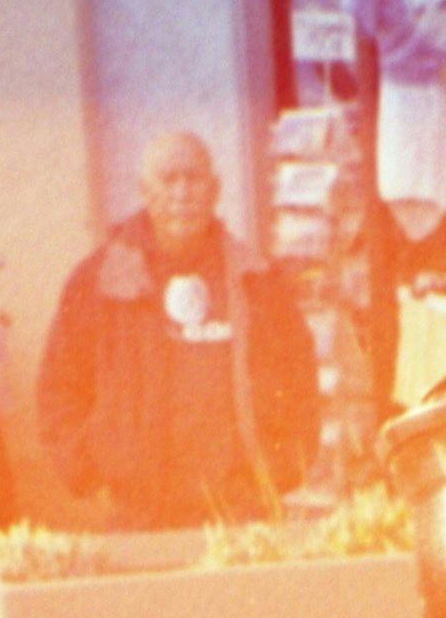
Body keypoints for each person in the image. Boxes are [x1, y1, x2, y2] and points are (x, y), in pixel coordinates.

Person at [35, 129, 319, 528]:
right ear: (144, 190)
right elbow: (58, 391)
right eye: (169, 180)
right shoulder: (98, 282)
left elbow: (301, 379)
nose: (182, 193)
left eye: (193, 178)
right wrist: (92, 474)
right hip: (139, 516)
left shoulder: (258, 281)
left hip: (240, 514)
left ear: (215, 189)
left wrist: (281, 471)